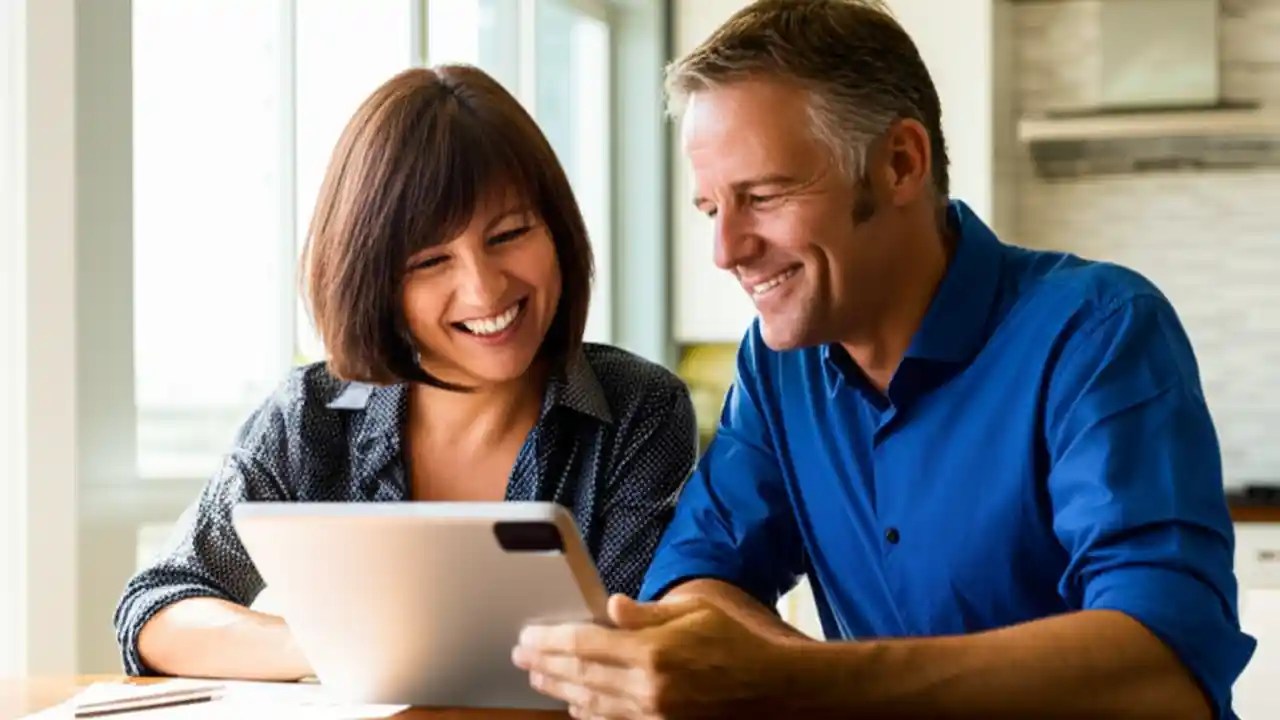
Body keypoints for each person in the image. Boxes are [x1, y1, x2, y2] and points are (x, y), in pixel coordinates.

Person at [511, 1, 1255, 717]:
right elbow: (695, 583)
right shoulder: (779, 368)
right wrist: (790, 680)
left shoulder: (1096, 331)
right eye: (712, 209)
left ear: (900, 163)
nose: (725, 251)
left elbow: (1166, 666)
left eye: (764, 196)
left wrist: (795, 683)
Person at [114, 65, 698, 681]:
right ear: (374, 281)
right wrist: (339, 647)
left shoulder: (636, 408)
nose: (484, 287)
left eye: (510, 234)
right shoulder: (310, 420)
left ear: (556, 229)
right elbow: (157, 607)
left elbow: (629, 648)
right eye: (431, 260)